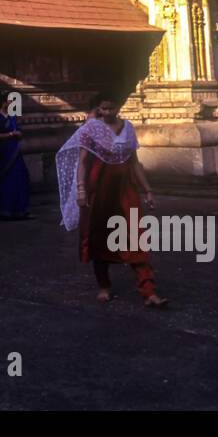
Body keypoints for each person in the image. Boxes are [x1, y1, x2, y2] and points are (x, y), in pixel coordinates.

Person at [56, 95, 168, 308]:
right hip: (98, 187)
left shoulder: (128, 128)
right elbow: (82, 161)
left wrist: (148, 190)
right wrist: (81, 190)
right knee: (99, 235)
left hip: (125, 188)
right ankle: (104, 285)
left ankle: (149, 290)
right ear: (99, 108)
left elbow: (135, 162)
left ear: (118, 107)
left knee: (136, 233)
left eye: (111, 108)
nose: (107, 112)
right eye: (103, 108)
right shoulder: (91, 129)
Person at [0, 90, 33, 220]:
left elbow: (19, 131)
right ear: (3, 101)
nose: (13, 102)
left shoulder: (12, 116)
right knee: (6, 181)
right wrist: (11, 134)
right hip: (3, 154)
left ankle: (20, 210)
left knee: (21, 178)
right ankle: (4, 211)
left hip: (15, 152)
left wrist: (18, 134)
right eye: (10, 100)